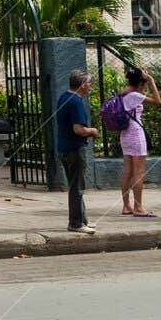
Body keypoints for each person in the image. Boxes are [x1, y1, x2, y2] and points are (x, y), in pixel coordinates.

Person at [54, 69, 100, 234]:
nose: (89, 86)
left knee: (76, 185)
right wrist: (93, 131)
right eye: (88, 83)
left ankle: (82, 219)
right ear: (82, 85)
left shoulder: (64, 97)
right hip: (74, 149)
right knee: (77, 187)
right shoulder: (76, 102)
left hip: (64, 148)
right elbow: (79, 130)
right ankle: (75, 223)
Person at [117, 66, 161, 218]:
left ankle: (126, 206)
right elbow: (157, 101)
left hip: (124, 135)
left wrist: (141, 78)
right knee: (139, 172)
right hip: (136, 133)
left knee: (127, 171)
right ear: (140, 83)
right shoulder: (135, 95)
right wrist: (152, 80)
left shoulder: (123, 93)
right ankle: (138, 207)